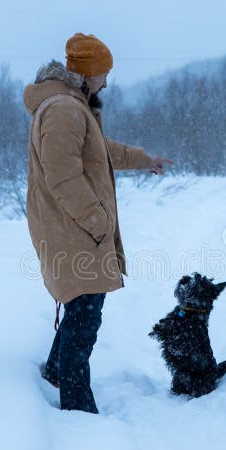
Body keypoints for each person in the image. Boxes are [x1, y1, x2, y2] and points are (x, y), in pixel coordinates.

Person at [23, 33, 173, 414]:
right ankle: (77, 408)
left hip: (74, 228)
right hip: (74, 229)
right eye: (104, 73)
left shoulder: (72, 107)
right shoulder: (64, 110)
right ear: (88, 74)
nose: (107, 82)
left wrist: (144, 159)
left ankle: (56, 372)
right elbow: (64, 177)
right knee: (85, 315)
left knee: (81, 308)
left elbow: (100, 151)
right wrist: (99, 221)